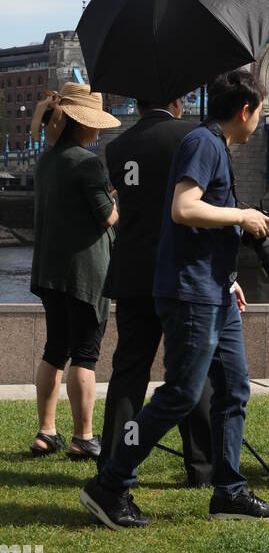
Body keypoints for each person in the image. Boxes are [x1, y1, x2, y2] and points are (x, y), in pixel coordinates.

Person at [80, 69, 269, 530]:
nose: (261, 120)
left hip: (214, 286)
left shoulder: (214, 145)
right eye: (261, 111)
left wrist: (232, 261)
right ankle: (109, 484)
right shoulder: (202, 143)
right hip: (190, 292)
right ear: (245, 111)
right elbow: (183, 207)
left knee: (234, 390)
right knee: (180, 395)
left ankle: (229, 492)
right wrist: (243, 215)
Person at [98, 96, 213, 487]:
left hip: (132, 274)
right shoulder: (195, 137)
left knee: (129, 371)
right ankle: (202, 465)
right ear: (178, 102)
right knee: (189, 371)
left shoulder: (117, 147)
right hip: (181, 274)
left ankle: (114, 458)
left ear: (139, 103)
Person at [29, 85, 120, 459]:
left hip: (50, 271)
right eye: (94, 123)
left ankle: (45, 432)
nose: (98, 130)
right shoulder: (88, 162)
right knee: (85, 354)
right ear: (82, 124)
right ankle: (84, 437)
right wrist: (119, 200)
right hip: (84, 273)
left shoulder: (47, 160)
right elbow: (107, 217)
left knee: (55, 349)